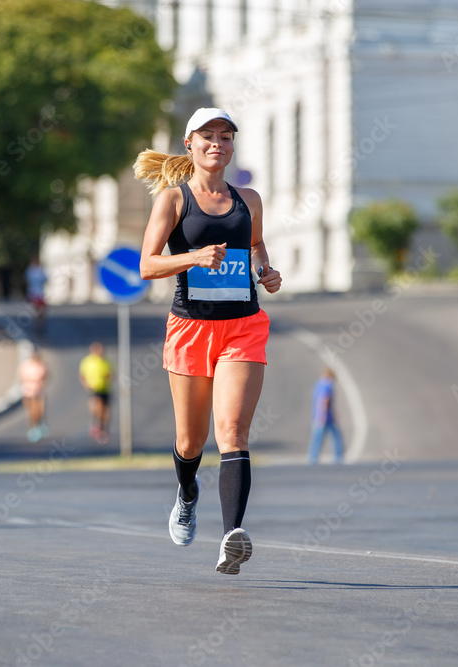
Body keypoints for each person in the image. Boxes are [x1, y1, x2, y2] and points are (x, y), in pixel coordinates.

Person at [135, 107, 282, 575]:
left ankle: (231, 536)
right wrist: (194, 256)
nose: (217, 142)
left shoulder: (249, 199)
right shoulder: (173, 201)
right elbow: (147, 265)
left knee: (233, 432)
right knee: (190, 439)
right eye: (207, 136)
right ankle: (187, 492)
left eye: (225, 135)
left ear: (232, 145)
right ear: (190, 145)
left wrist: (266, 270)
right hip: (191, 328)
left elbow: (255, 245)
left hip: (243, 324)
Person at [308, 368, 344, 465]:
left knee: (316, 439)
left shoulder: (318, 384)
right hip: (325, 417)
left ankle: (313, 458)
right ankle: (338, 457)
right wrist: (323, 415)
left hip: (317, 416)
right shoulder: (328, 385)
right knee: (336, 437)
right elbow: (324, 399)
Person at [79, 342, 112, 445]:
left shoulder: (105, 362)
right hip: (93, 389)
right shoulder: (87, 361)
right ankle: (94, 423)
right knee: (96, 406)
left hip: (104, 389)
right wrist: (86, 385)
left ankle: (103, 428)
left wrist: (107, 380)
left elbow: (110, 374)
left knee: (105, 411)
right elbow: (82, 375)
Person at [18, 349, 49, 442]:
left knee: (38, 410)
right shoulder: (26, 365)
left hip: (38, 390)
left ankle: (38, 425)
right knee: (30, 411)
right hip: (28, 390)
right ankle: (32, 427)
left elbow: (45, 376)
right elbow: (21, 376)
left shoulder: (41, 365)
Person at [25, 255, 48, 334]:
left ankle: (40, 325)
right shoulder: (30, 270)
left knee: (42, 311)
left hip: (40, 293)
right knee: (36, 310)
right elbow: (27, 282)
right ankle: (36, 325)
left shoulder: (41, 270)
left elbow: (45, 279)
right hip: (33, 293)